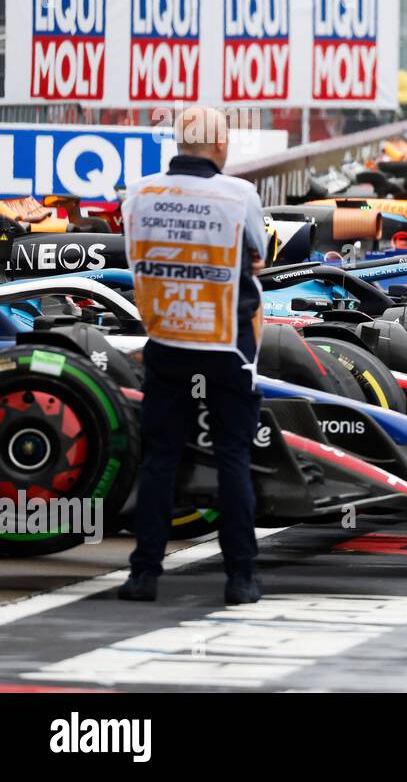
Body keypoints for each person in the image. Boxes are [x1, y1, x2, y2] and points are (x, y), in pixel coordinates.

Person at [119, 107, 268, 603]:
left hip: (166, 343)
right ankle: (240, 579)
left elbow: (137, 259)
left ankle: (143, 576)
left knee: (159, 459)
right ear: (221, 146)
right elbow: (258, 259)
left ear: (178, 145)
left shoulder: (139, 194)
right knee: (232, 458)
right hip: (227, 345)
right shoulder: (239, 195)